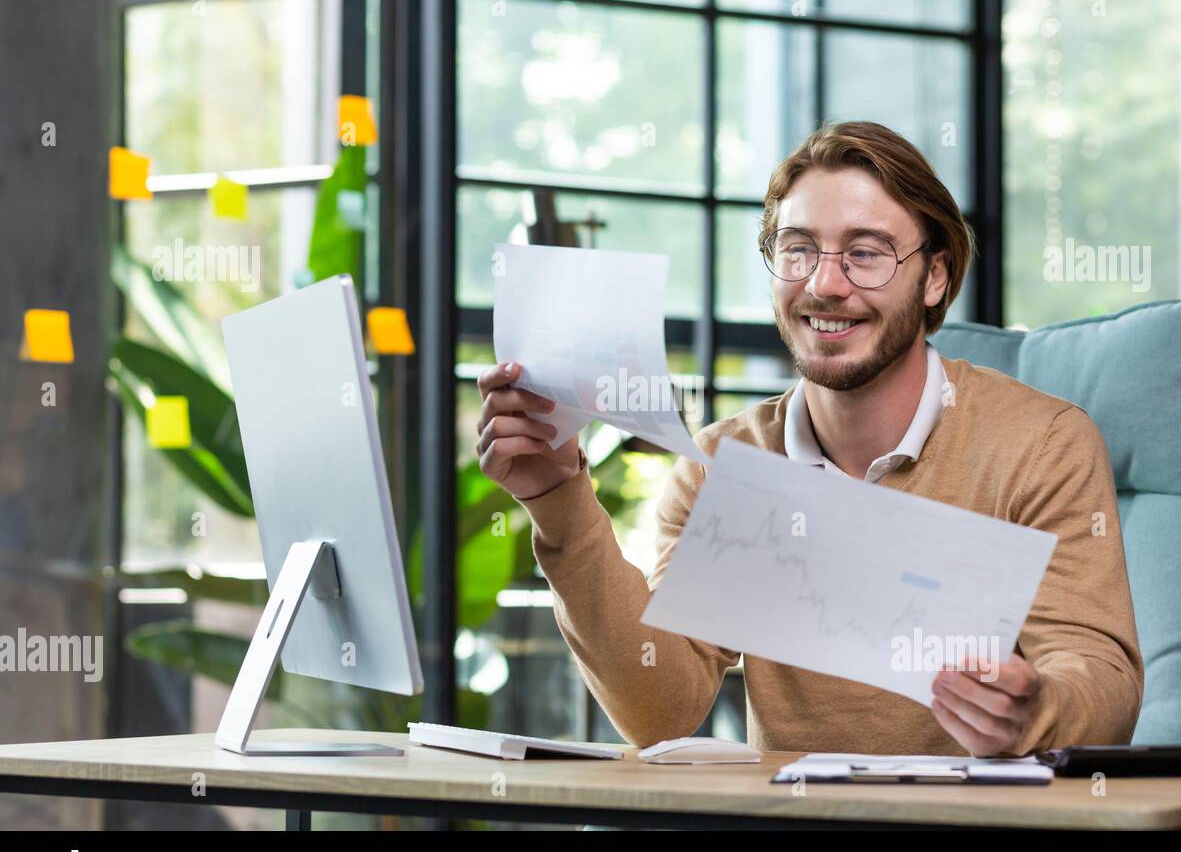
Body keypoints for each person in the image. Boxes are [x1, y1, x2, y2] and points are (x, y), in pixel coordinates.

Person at [475, 121, 1143, 757]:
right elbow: (660, 711)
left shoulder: (1043, 444)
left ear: (935, 275)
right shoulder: (722, 467)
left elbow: (1102, 682)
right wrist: (559, 498)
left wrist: (1039, 710)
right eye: (798, 249)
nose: (825, 285)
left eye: (865, 253)